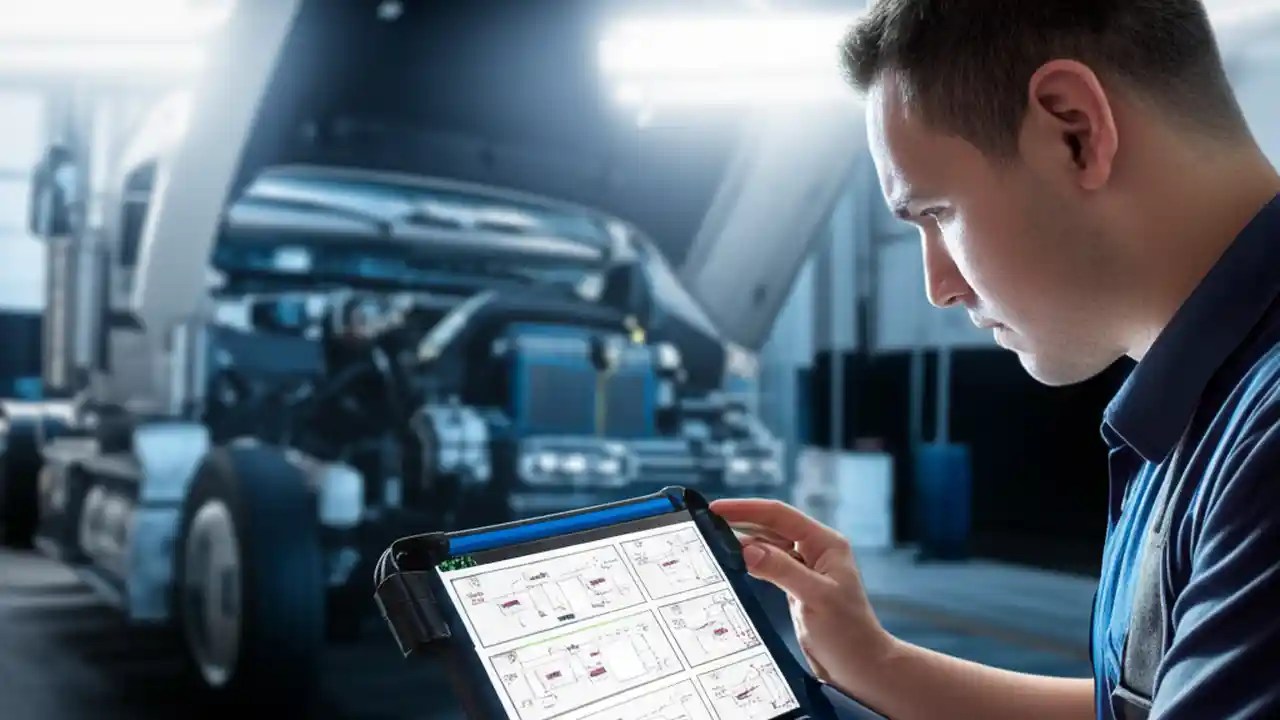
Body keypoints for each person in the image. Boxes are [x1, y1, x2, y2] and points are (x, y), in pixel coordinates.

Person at [711, 1, 1280, 719]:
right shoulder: (1215, 400)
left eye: (938, 213)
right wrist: (878, 663)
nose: (939, 288)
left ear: (1073, 130)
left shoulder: (1267, 440)